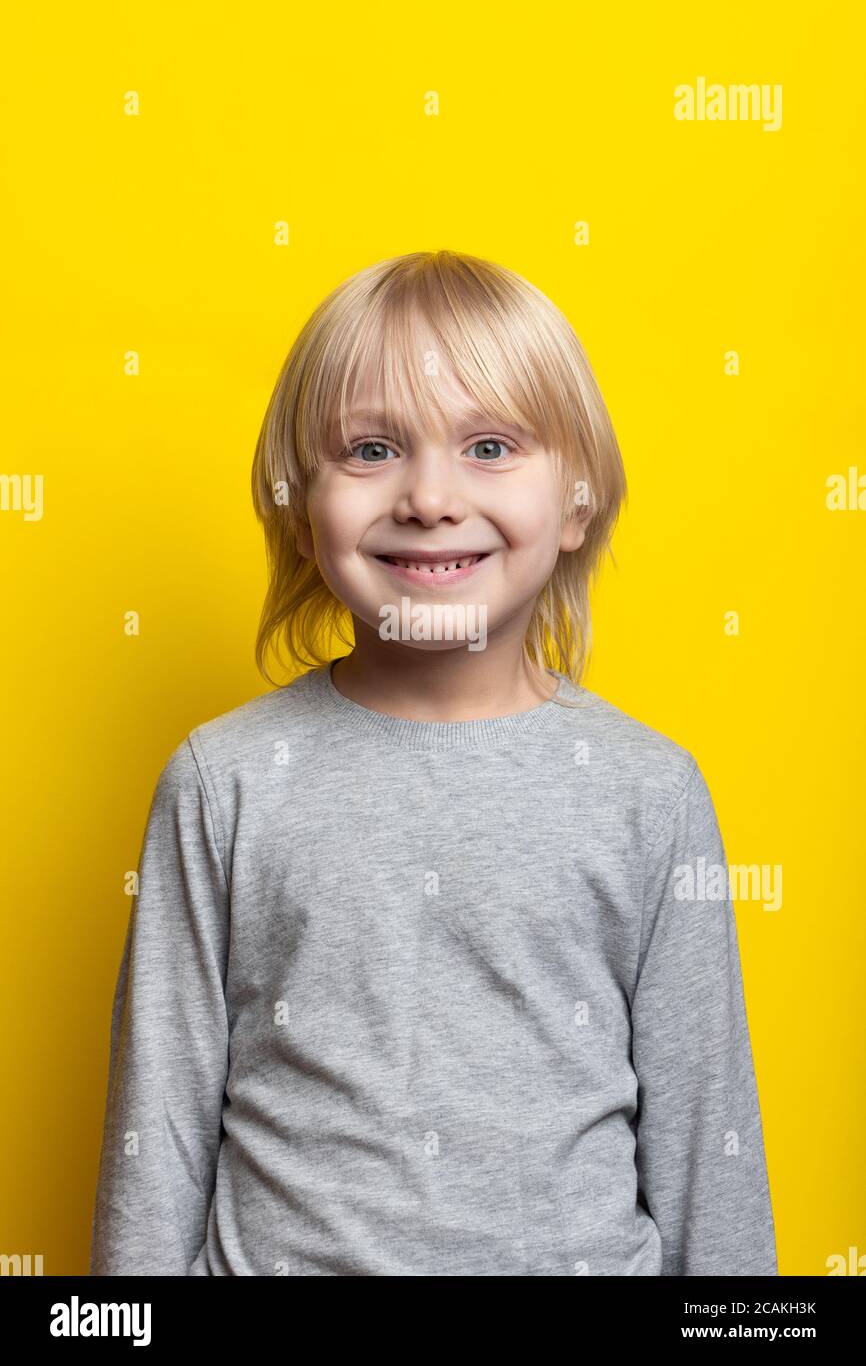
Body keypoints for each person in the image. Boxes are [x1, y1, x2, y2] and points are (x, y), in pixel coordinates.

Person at [89, 249, 777, 1275]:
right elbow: (157, 1139)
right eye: (370, 448)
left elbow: (705, 1155)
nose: (428, 496)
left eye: (490, 444)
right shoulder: (223, 779)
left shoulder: (648, 792)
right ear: (299, 505)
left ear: (576, 503)